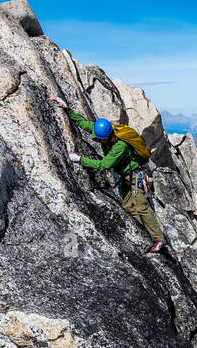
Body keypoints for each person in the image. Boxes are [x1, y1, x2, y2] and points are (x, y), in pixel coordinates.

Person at [52, 95, 165, 254]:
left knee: (140, 206)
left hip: (135, 176)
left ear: (106, 137)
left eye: (99, 140)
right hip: (124, 176)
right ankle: (149, 230)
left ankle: (159, 239)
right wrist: (67, 109)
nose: (97, 141)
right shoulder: (104, 131)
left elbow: (104, 165)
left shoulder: (120, 146)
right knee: (127, 206)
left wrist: (80, 159)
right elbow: (83, 124)